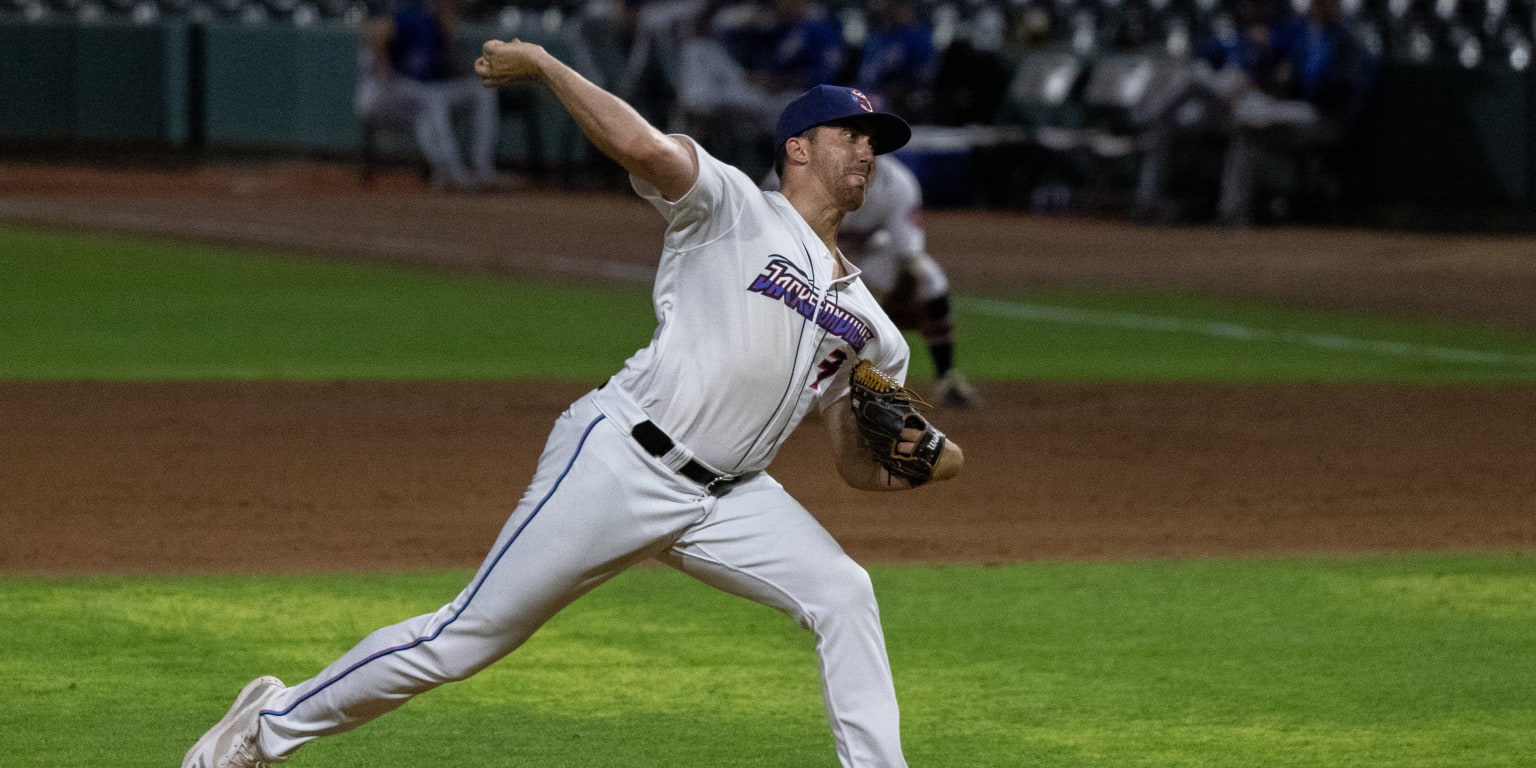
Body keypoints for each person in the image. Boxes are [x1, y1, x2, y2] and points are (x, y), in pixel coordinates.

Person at [181, 34, 964, 768]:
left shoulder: (875, 332)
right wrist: (547, 65)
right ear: (798, 147)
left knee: (844, 592)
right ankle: (263, 727)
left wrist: (921, 460)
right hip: (623, 458)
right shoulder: (733, 207)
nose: (867, 151)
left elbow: (854, 465)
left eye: (876, 142)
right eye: (850, 135)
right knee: (462, 639)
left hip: (734, 500)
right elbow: (638, 147)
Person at [764, 153, 979, 407]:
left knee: (931, 280)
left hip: (864, 254)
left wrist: (896, 304)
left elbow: (909, 256)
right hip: (801, 251)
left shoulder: (897, 182)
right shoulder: (800, 168)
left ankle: (946, 379)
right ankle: (772, 379)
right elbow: (766, 224)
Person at [357, 0, 501, 192]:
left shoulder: (445, 25)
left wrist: (450, 36)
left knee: (480, 91)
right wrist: (385, 71)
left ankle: (479, 170)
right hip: (383, 92)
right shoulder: (416, 14)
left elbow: (453, 73)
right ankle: (453, 174)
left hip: (417, 96)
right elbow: (378, 31)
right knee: (432, 100)